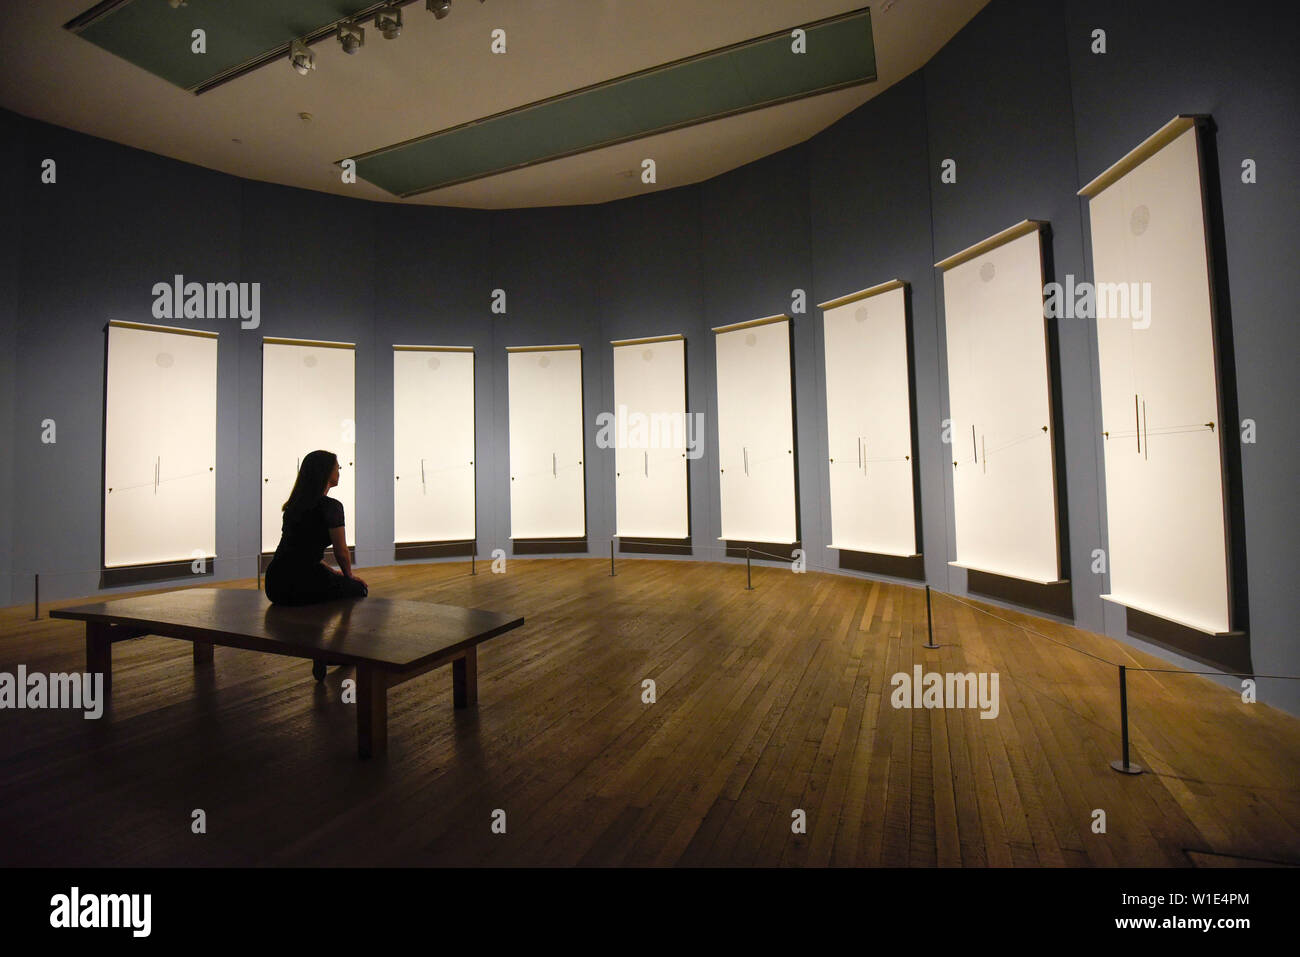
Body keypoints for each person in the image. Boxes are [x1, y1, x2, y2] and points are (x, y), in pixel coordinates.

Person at [264, 450, 368, 680]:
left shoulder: (293, 505)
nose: (339, 471)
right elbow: (341, 551)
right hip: (303, 583)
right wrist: (349, 577)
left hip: (275, 583)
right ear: (325, 473)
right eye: (337, 467)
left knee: (333, 587)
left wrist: (333, 573)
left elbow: (300, 551)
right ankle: (336, 651)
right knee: (358, 591)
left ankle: (321, 646)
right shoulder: (331, 506)